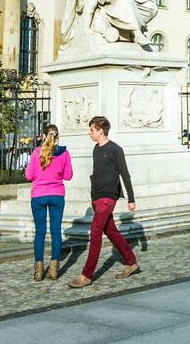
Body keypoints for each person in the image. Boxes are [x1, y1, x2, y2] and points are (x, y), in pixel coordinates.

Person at [69, 116, 140, 288]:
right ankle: (131, 262)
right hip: (97, 197)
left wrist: (131, 199)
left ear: (101, 130)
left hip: (108, 197)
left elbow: (125, 174)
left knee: (95, 233)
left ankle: (86, 275)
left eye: (92, 129)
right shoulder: (96, 149)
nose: (89, 133)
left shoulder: (116, 149)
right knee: (111, 231)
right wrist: (93, 196)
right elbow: (97, 172)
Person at [25, 125, 72, 280]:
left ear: (43, 136)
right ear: (57, 136)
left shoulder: (36, 153)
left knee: (40, 233)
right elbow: (68, 175)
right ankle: (53, 268)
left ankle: (38, 269)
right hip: (57, 195)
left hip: (38, 195)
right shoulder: (64, 153)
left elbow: (29, 175)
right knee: (56, 231)